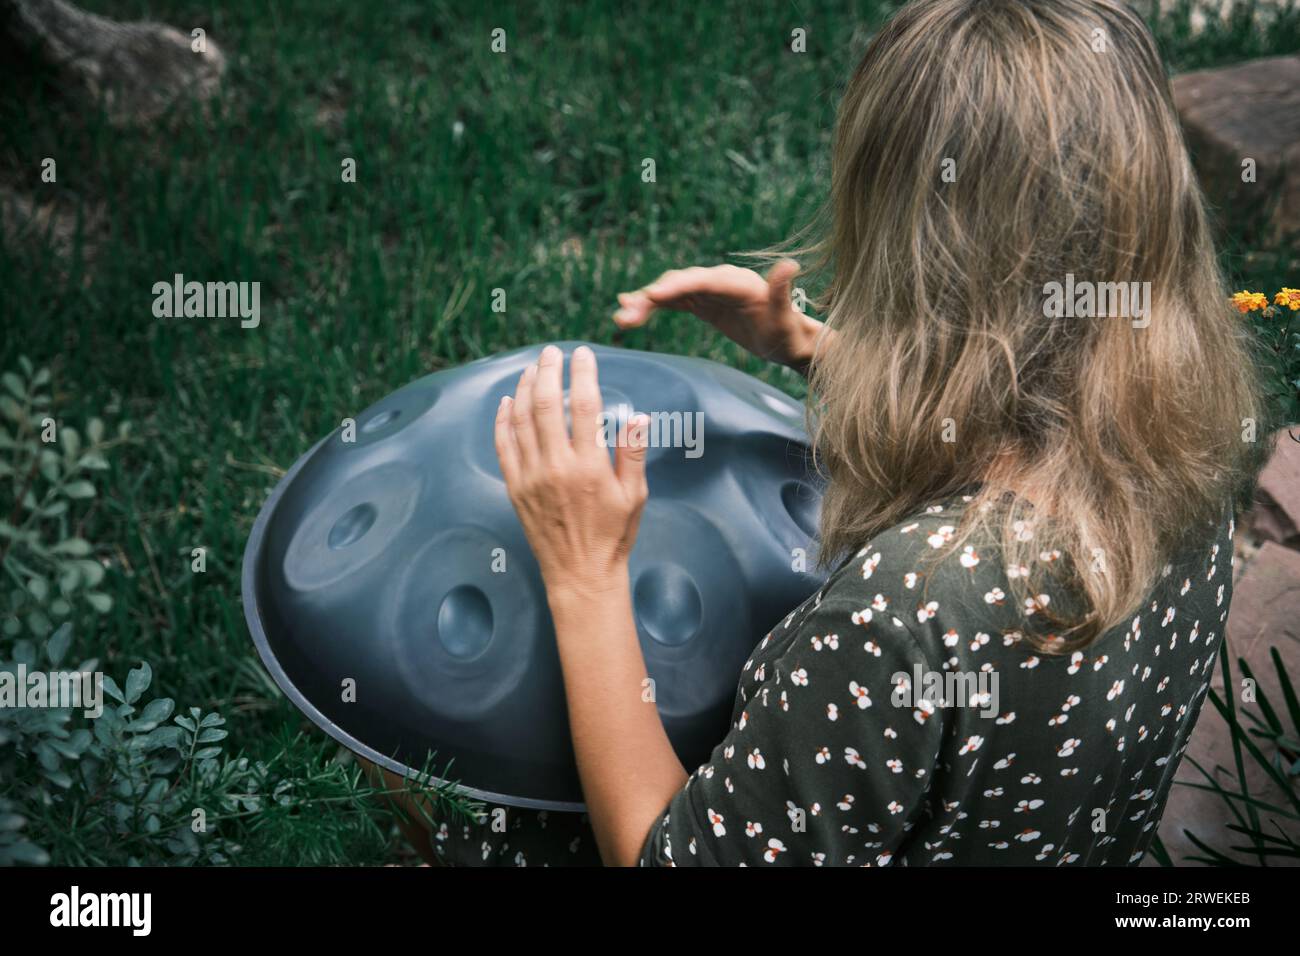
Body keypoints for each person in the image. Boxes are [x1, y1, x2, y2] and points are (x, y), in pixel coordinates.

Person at [396, 0, 1265, 866]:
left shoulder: (904, 610)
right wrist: (817, 351)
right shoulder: (1197, 440)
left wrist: (584, 573)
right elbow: (1040, 413)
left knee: (461, 793)